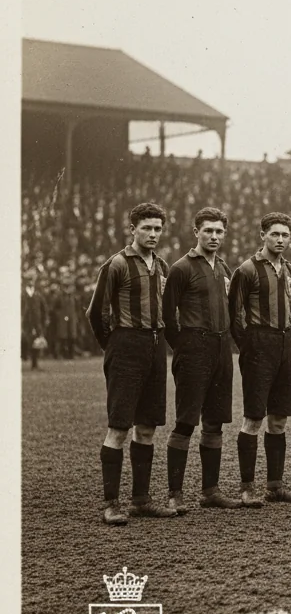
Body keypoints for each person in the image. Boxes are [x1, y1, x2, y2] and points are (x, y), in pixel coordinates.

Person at [86, 201, 176, 525]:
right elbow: (95, 313)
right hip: (126, 345)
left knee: (148, 426)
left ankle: (141, 500)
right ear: (132, 229)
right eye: (147, 228)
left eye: (157, 229)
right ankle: (111, 503)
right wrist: (112, 346)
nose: (153, 234)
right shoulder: (117, 264)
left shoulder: (162, 266)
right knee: (119, 427)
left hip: (155, 347)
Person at [162, 206, 243, 513]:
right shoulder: (182, 267)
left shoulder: (223, 267)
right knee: (186, 421)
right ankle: (175, 494)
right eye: (208, 230)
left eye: (219, 231)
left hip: (222, 348)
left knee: (215, 422)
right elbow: (168, 316)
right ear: (195, 232)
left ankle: (210, 490)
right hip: (194, 348)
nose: (213, 236)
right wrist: (184, 346)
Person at [229, 212, 291, 504]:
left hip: (285, 343)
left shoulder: (290, 270)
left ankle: (275, 486)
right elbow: (235, 315)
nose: (281, 240)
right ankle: (247, 488)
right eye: (275, 234)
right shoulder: (247, 270)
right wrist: (249, 347)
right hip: (259, 343)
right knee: (253, 418)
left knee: (279, 418)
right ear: (262, 235)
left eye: (285, 235)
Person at [21, 268, 48, 370]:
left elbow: (44, 307)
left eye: (32, 279)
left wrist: (45, 318)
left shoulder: (38, 293)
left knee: (36, 342)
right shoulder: (23, 294)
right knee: (26, 341)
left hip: (37, 322)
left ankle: (34, 363)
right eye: (29, 279)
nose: (30, 281)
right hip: (26, 321)